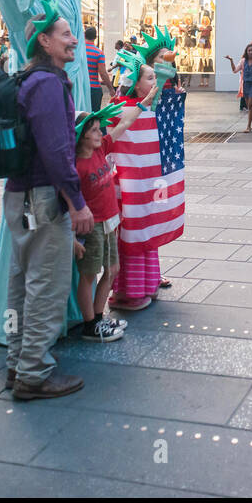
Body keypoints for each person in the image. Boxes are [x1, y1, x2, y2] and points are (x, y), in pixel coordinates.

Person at [0, 0, 139, 346]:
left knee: (54, 199)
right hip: (44, 93)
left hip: (73, 87)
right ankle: (32, 347)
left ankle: (64, 317)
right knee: (46, 197)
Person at [2, 1, 91, 401]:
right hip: (42, 200)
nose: (74, 40)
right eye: (66, 34)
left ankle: (16, 363)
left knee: (19, 285)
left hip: (16, 197)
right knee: (45, 287)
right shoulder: (49, 84)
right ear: (45, 41)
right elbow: (56, 150)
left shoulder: (24, 79)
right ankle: (33, 374)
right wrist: (76, 200)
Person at [107, 33, 182, 311]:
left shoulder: (150, 99)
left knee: (147, 228)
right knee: (135, 231)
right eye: (150, 75)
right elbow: (117, 130)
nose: (156, 80)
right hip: (132, 184)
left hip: (148, 182)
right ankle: (130, 292)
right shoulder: (127, 106)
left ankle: (147, 285)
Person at [72, 103, 143, 342]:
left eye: (98, 128)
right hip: (91, 228)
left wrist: (144, 103)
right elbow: (67, 206)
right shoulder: (76, 167)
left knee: (112, 270)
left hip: (110, 221)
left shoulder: (101, 148)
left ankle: (98, 317)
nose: (99, 133)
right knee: (89, 275)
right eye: (92, 130)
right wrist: (71, 238)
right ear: (80, 136)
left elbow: (124, 123)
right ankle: (90, 324)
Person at [227, 42, 252, 132]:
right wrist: (231, 60)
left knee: (250, 105)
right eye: (249, 50)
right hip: (246, 84)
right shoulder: (243, 61)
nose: (250, 52)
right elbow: (235, 70)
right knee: (249, 106)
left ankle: (248, 126)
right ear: (246, 52)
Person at [84, 26, 113, 110]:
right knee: (93, 116)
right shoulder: (98, 53)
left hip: (81, 87)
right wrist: (111, 89)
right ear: (95, 37)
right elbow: (103, 73)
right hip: (94, 89)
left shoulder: (79, 51)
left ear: (84, 35)